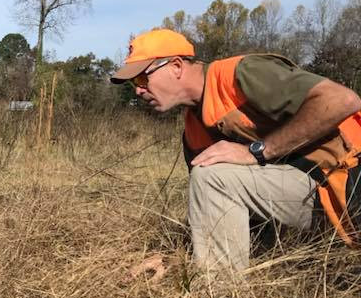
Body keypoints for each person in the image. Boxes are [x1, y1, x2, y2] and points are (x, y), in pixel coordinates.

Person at [111, 29, 361, 273]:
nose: (138, 90)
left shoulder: (242, 73)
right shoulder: (193, 131)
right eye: (134, 82)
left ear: (176, 66)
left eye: (143, 78)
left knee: (212, 177)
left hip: (350, 178)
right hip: (315, 196)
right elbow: (211, 210)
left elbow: (342, 100)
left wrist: (257, 151)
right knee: (209, 177)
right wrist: (177, 257)